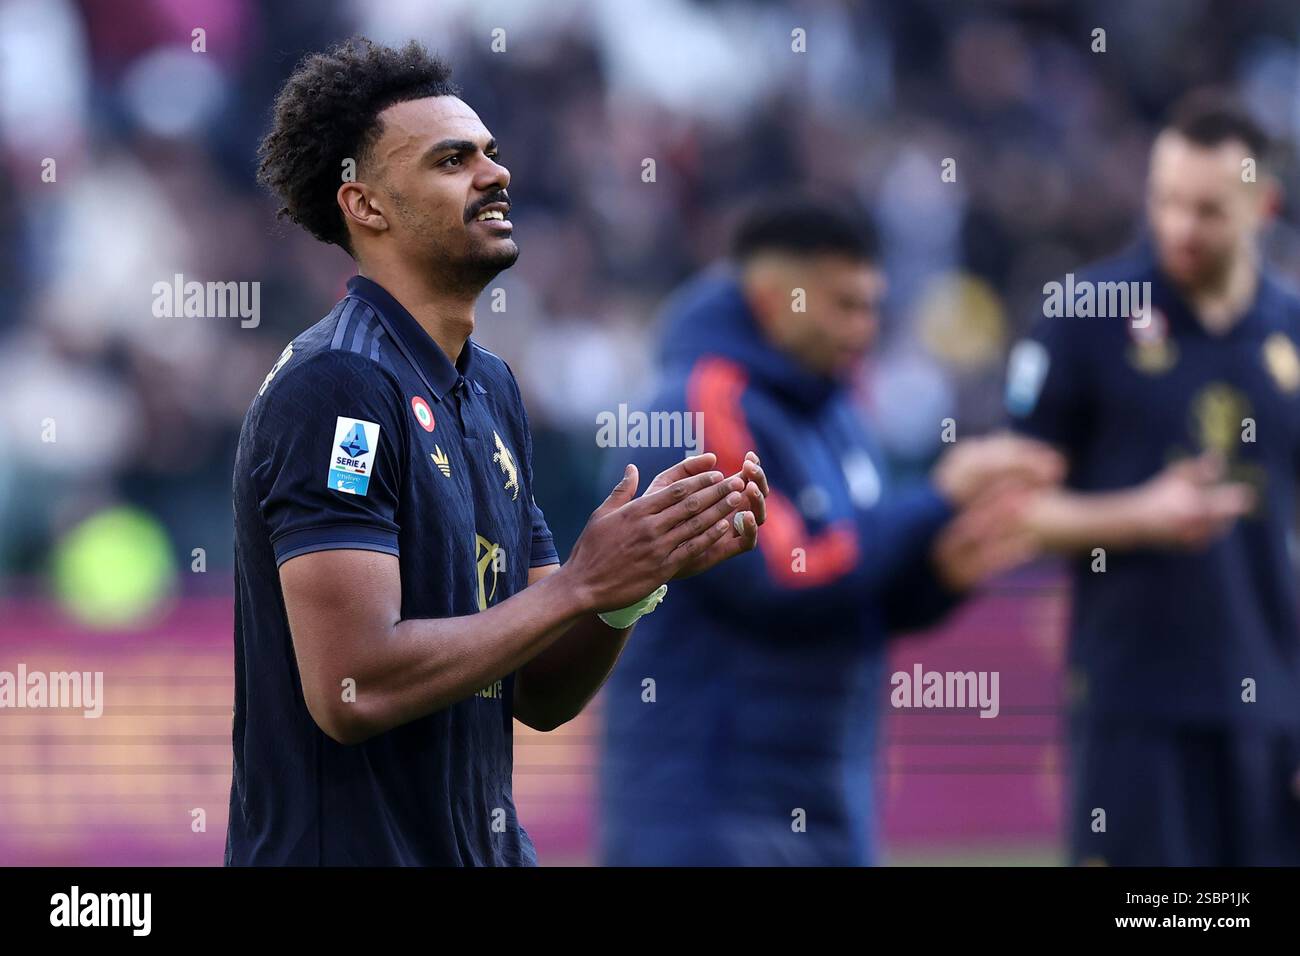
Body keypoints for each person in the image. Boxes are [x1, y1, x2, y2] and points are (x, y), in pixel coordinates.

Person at [225, 38, 768, 866]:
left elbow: (541, 689)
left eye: (490, 152)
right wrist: (581, 583)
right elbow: (351, 686)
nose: (494, 173)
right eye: (453, 160)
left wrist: (629, 586)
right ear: (366, 205)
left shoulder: (491, 391)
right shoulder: (339, 387)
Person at [598, 196, 1064, 866]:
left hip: (827, 803)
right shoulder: (699, 404)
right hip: (708, 816)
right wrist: (937, 497)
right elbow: (782, 579)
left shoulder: (836, 411)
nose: (865, 328)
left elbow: (851, 588)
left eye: (873, 305)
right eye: (844, 305)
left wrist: (939, 575)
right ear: (770, 300)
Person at [1006, 91, 1300, 865]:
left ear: (1263, 204)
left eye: (1207, 210)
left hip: (1273, 712)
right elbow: (1012, 511)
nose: (1179, 227)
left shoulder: (1294, 332)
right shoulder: (1085, 315)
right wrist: (1138, 516)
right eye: (1165, 201)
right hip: (1132, 708)